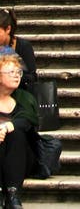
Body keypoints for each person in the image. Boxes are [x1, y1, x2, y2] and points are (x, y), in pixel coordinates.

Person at [0, 52, 40, 209]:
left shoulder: (24, 97)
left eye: (19, 72)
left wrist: (9, 126)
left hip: (21, 156)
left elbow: (30, 119)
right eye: (11, 72)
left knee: (15, 133)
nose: (17, 76)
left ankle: (12, 193)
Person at [0, 9, 37, 92]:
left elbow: (32, 77)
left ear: (8, 29)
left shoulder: (23, 46)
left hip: (19, 95)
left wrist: (12, 74)